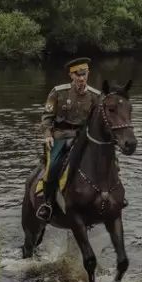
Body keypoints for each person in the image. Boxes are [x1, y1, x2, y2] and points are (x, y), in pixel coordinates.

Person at [36, 56, 99, 221]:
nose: (81, 78)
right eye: (77, 75)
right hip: (61, 137)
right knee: (54, 166)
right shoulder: (58, 92)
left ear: (88, 74)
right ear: (71, 76)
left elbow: (99, 122)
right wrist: (48, 135)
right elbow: (46, 118)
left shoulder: (95, 96)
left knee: (109, 160)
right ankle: (47, 204)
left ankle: (111, 196)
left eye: (84, 74)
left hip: (84, 138)